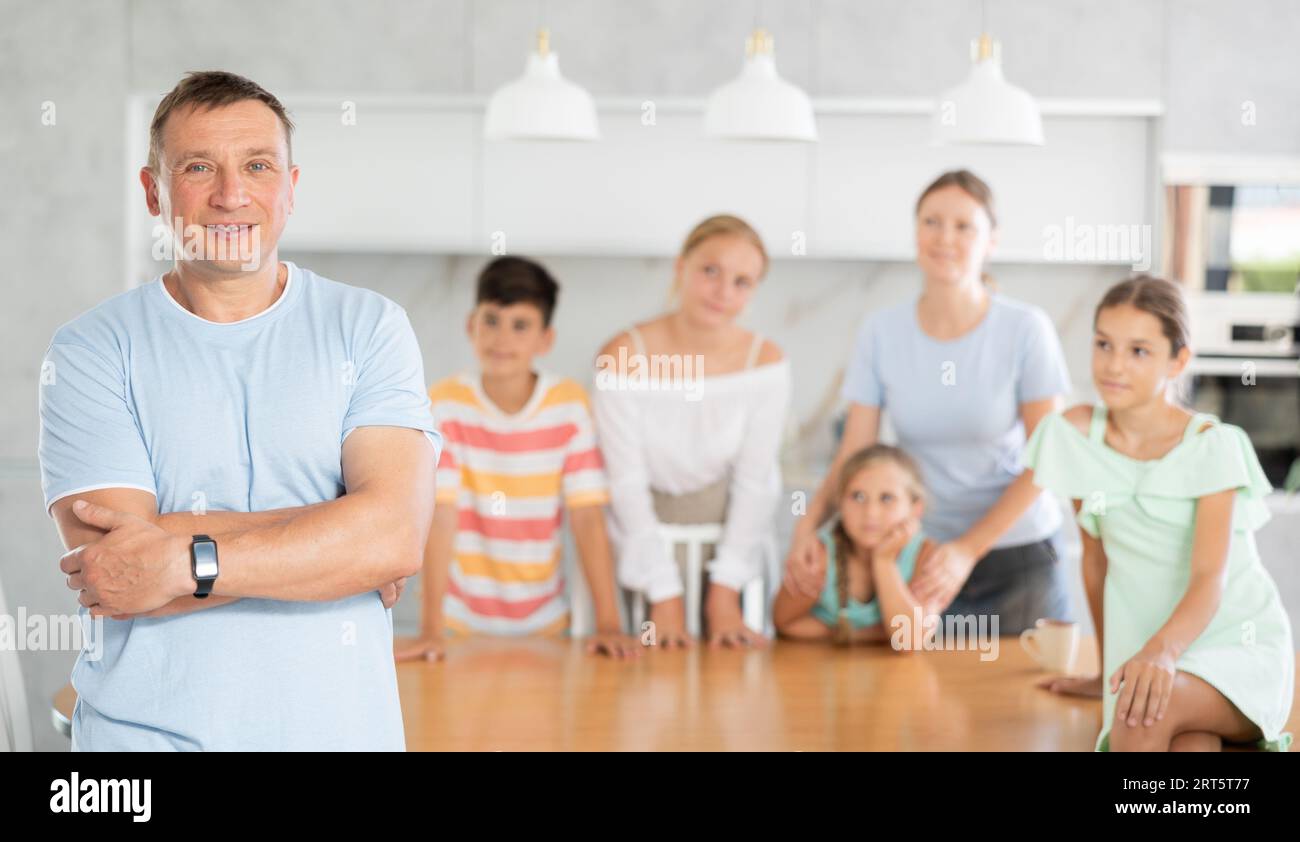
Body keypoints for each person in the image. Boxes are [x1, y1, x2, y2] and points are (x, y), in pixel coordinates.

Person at [39, 71, 440, 750]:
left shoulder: (369, 327)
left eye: (257, 165)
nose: (231, 195)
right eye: (199, 167)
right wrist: (341, 535)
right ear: (153, 191)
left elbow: (393, 537)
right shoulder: (89, 350)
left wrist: (179, 559)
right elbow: (115, 569)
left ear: (291, 186)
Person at [785, 170, 1072, 636]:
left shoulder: (1025, 329)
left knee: (1025, 685)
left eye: (964, 226)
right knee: (917, 682)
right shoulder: (882, 332)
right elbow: (854, 452)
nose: (945, 238)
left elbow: (1051, 455)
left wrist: (968, 549)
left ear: (992, 241)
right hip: (921, 561)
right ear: (915, 232)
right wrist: (807, 527)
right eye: (932, 222)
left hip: (1018, 558)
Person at [1027, 275, 1293, 751]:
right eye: (1104, 344)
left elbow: (1209, 578)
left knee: (1142, 715)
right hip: (1151, 655)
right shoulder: (1076, 437)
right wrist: (1106, 669)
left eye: (1139, 351)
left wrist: (1161, 654)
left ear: (1178, 361)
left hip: (1236, 642)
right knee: (1187, 742)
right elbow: (1096, 564)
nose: (1114, 365)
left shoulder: (1214, 445)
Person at [394, 257, 638, 661]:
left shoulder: (568, 406)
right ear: (471, 325)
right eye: (491, 321)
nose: (501, 338)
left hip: (546, 625)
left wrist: (609, 624)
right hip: (457, 624)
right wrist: (431, 629)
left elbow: (587, 518)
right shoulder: (446, 404)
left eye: (520, 325)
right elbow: (441, 516)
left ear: (545, 340)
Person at [594, 215, 791, 648]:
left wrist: (725, 594)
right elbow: (625, 481)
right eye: (710, 271)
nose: (723, 292)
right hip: (640, 555)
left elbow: (755, 482)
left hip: (734, 554)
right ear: (681, 267)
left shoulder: (765, 362)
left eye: (742, 282)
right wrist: (664, 594)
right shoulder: (624, 355)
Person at [773, 444, 943, 650]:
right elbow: (785, 623)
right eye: (858, 497)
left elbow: (909, 641)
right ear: (840, 504)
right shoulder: (820, 555)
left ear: (916, 509)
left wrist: (883, 561)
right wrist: (868, 634)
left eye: (887, 498)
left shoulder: (925, 555)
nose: (871, 512)